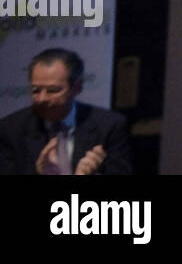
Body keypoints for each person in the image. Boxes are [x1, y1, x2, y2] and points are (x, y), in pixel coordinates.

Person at [0, 48, 132, 175]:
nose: (42, 98)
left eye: (53, 90)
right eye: (36, 90)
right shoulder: (11, 130)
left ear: (77, 87)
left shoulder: (109, 126)